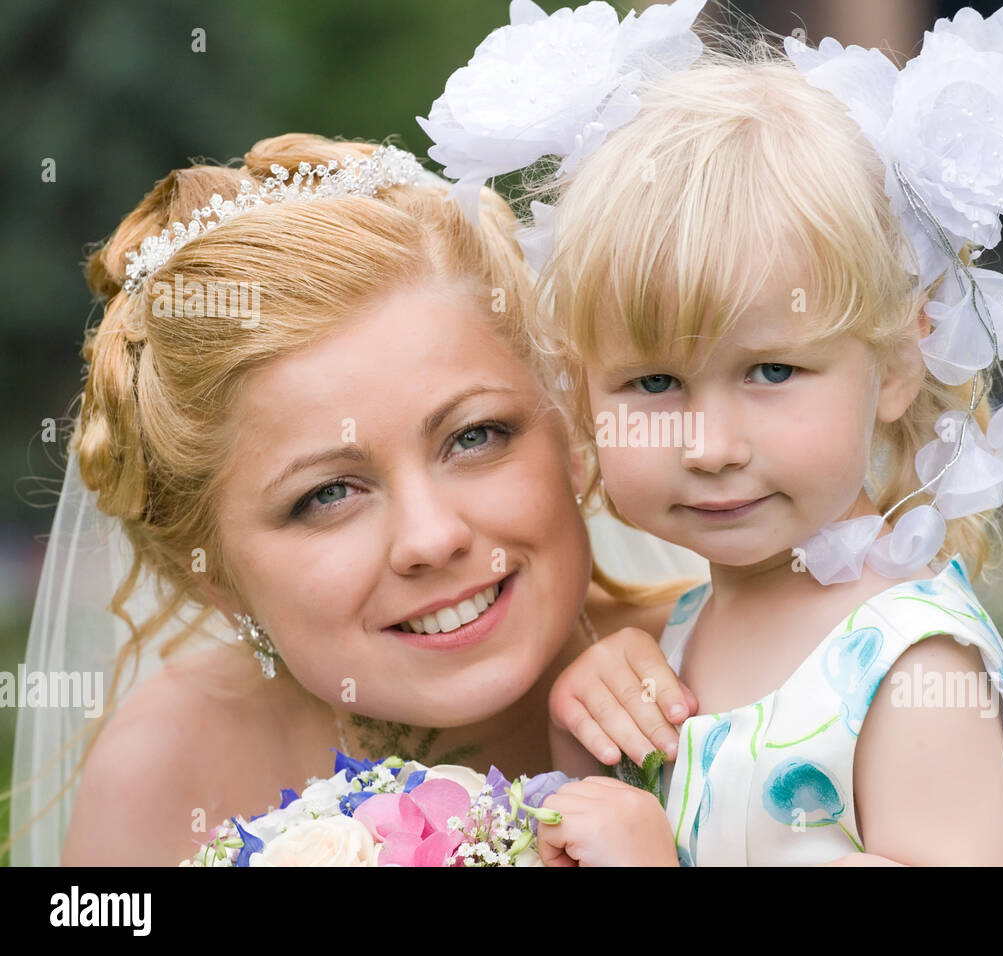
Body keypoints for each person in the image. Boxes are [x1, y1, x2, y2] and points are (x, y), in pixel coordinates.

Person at [420, 1, 1003, 865]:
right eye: (654, 381)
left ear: (893, 366)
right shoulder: (692, 631)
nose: (710, 444)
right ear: (583, 394)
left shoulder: (911, 666)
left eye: (771, 372)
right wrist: (591, 756)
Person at [5, 133, 690, 866]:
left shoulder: (742, 676)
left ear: (572, 437)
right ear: (218, 581)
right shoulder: (167, 768)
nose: (431, 538)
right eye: (328, 494)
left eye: (474, 437)